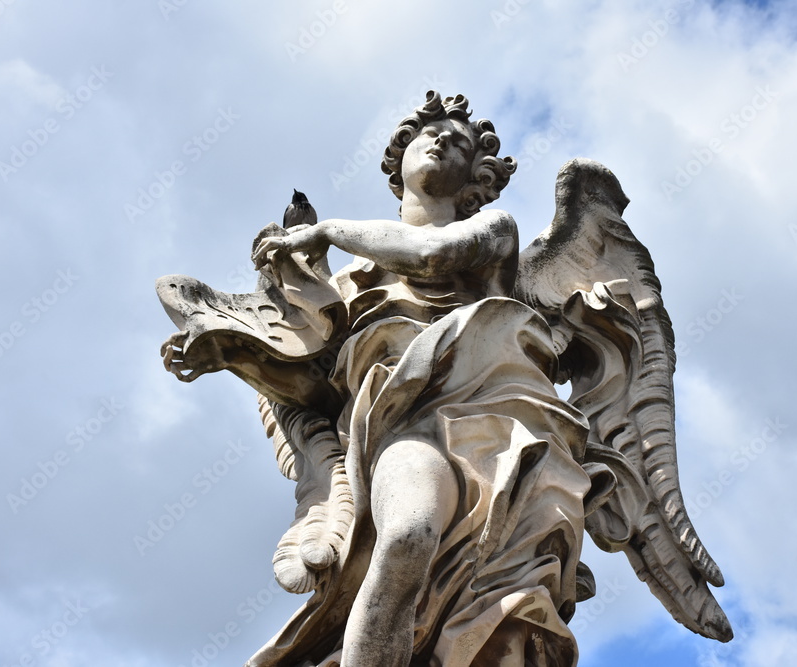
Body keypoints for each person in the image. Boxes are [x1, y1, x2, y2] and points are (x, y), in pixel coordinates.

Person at [247, 92, 592, 666]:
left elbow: (431, 255)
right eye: (426, 136)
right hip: (409, 425)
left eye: (458, 144)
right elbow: (307, 385)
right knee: (406, 536)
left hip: (515, 434)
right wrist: (235, 350)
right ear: (399, 156)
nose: (439, 143)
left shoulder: (494, 230)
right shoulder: (348, 280)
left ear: (475, 175)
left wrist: (327, 230)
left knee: (506, 622)